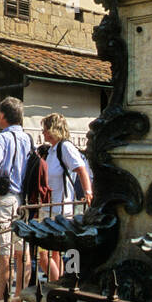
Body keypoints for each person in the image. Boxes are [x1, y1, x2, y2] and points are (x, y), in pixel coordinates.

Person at [0, 96, 33, 302]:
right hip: (21, 200)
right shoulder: (27, 139)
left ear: (3, 115)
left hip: (3, 199)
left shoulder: (0, 139)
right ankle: (20, 297)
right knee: (22, 252)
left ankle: (1, 301)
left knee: (5, 255)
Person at [41, 114, 94, 281]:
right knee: (53, 251)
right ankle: (62, 282)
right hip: (49, 208)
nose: (42, 132)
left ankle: (59, 285)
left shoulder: (65, 147)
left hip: (61, 209)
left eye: (45, 128)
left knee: (44, 251)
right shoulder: (51, 150)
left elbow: (81, 169)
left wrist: (88, 191)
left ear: (52, 129)